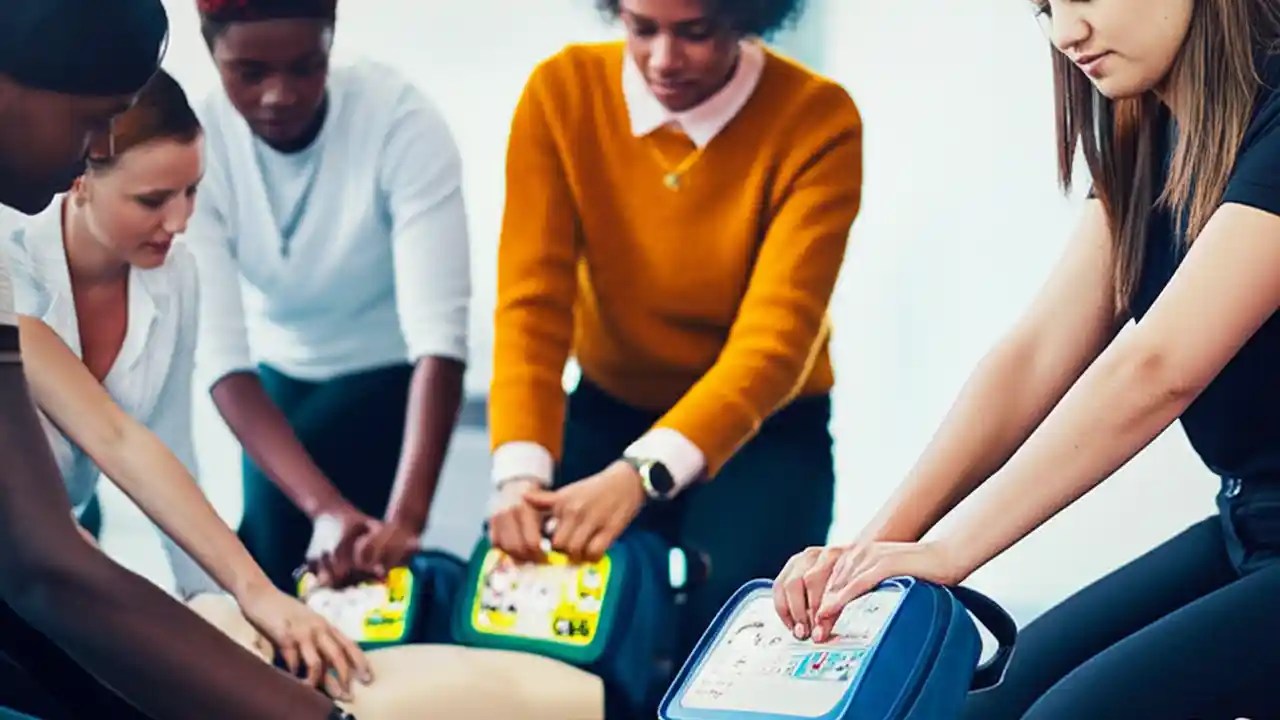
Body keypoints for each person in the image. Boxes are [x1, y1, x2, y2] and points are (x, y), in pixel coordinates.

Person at [775, 1, 1280, 718]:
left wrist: (953, 552)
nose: (1065, 33)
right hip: (1249, 525)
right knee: (979, 704)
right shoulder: (1151, 136)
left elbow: (1160, 367)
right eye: (1046, 6)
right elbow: (1035, 354)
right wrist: (867, 554)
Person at [0, 1, 355, 718]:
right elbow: (55, 540)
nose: (93, 143)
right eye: (90, 119)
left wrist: (222, 602)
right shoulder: (17, 263)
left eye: (191, 193)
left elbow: (162, 446)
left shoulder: (173, 276)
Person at [486, 0, 861, 662]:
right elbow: (532, 304)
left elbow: (773, 344)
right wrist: (519, 473)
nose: (663, 58)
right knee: (530, 626)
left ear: (751, 16)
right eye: (641, 27)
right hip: (608, 408)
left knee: (741, 641)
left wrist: (642, 473)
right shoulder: (562, 91)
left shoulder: (817, 118)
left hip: (766, 427)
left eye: (696, 32)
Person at [186, 0, 472, 593]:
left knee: (372, 579)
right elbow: (222, 359)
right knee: (272, 560)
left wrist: (407, 519)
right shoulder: (197, 143)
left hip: (391, 378)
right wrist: (324, 508)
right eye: (250, 72)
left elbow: (438, 341)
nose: (278, 95)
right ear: (212, 52)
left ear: (331, 42)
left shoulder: (400, 118)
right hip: (274, 384)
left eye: (305, 67)